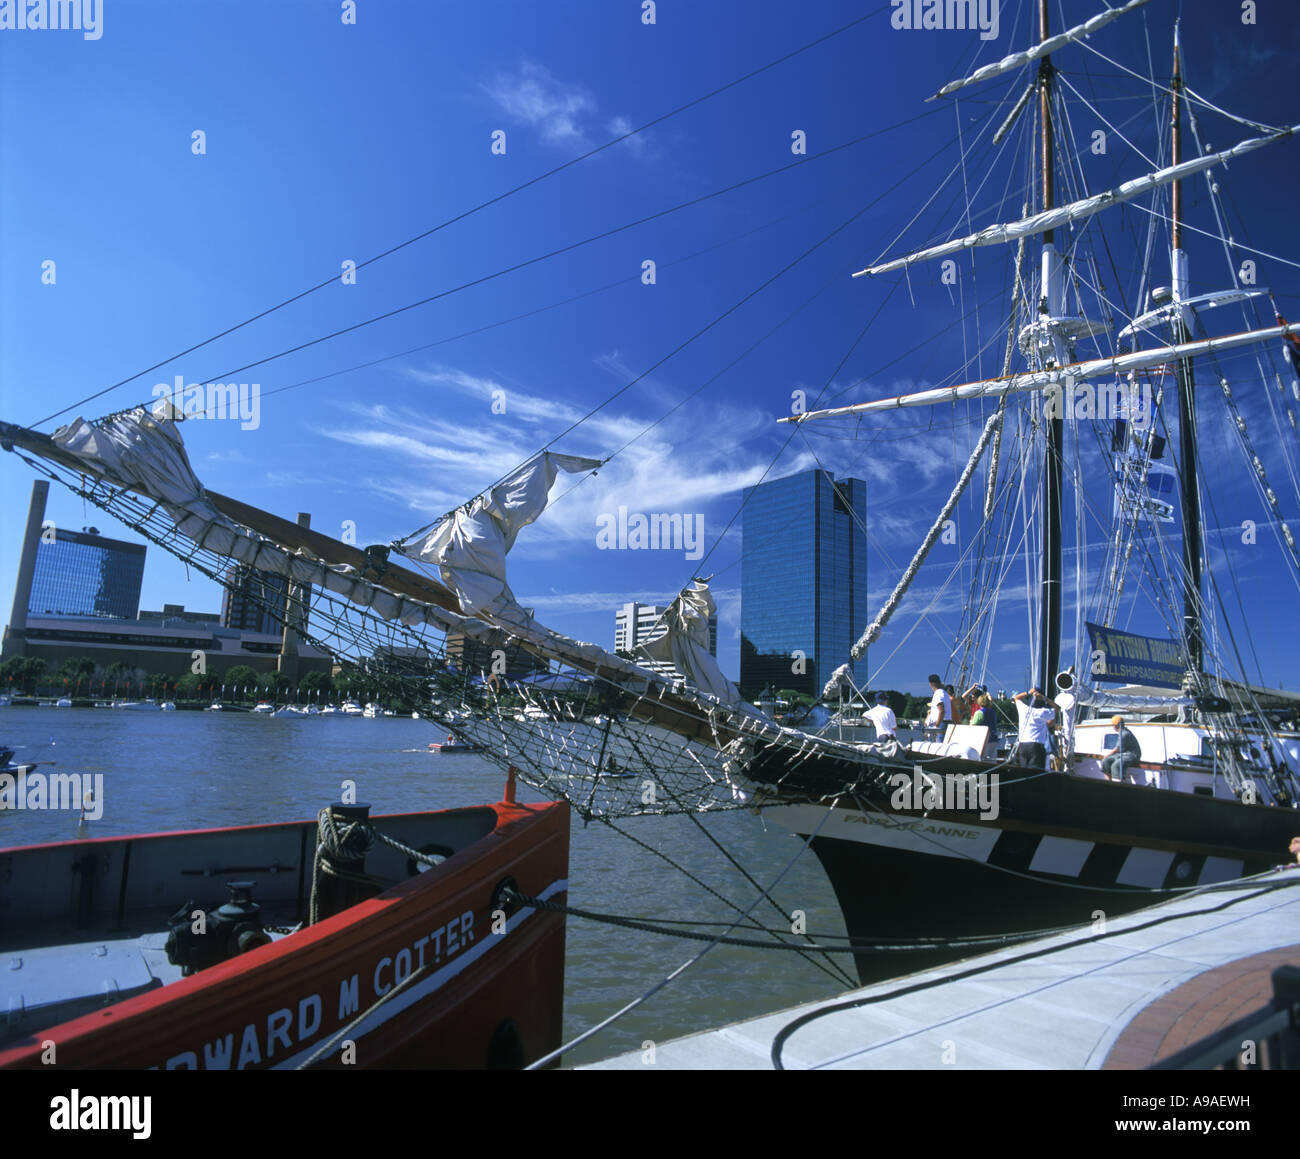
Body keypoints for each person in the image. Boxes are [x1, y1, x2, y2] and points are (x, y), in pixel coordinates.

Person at [1012, 687, 1057, 769]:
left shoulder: (1023, 709)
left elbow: (1016, 698)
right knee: (1036, 772)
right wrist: (1045, 698)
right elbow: (1057, 708)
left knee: (1024, 771)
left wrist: (1029, 692)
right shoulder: (1043, 712)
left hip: (1022, 746)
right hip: (1036, 746)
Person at [1101, 715, 1142, 783]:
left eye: (1113, 725)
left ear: (1116, 725)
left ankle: (1117, 784)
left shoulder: (1124, 734)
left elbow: (1117, 749)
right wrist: (1106, 758)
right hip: (1124, 754)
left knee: (1116, 765)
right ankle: (1108, 781)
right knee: (1106, 761)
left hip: (1132, 755)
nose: (1113, 726)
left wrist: (1107, 755)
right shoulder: (1121, 732)